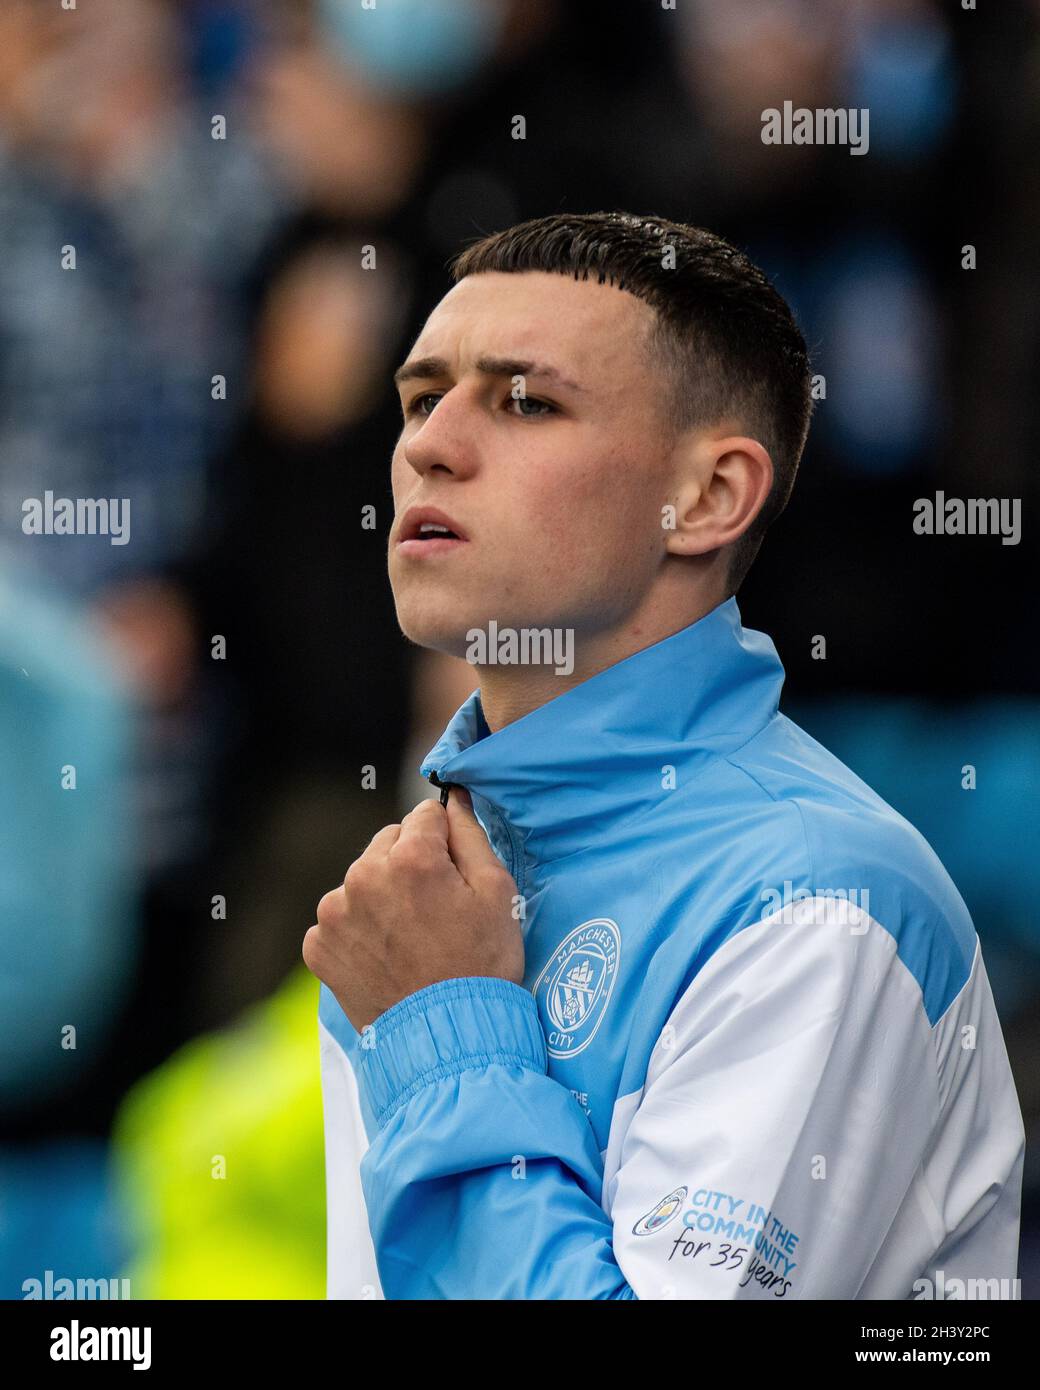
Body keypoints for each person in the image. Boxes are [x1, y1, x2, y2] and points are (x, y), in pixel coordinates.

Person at [303, 211, 1025, 1300]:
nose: (426, 444)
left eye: (524, 400)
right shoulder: (416, 896)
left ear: (707, 497)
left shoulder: (818, 903)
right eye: (419, 397)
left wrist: (447, 1042)